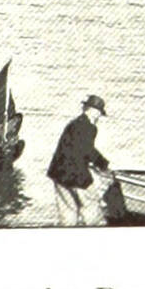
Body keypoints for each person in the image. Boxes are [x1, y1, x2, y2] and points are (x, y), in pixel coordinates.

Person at [47, 95, 111, 225]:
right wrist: (103, 164)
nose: (99, 117)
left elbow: (74, 149)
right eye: (99, 113)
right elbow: (87, 150)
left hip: (59, 173)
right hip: (77, 175)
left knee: (68, 211)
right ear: (93, 111)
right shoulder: (89, 127)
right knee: (91, 206)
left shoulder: (74, 124)